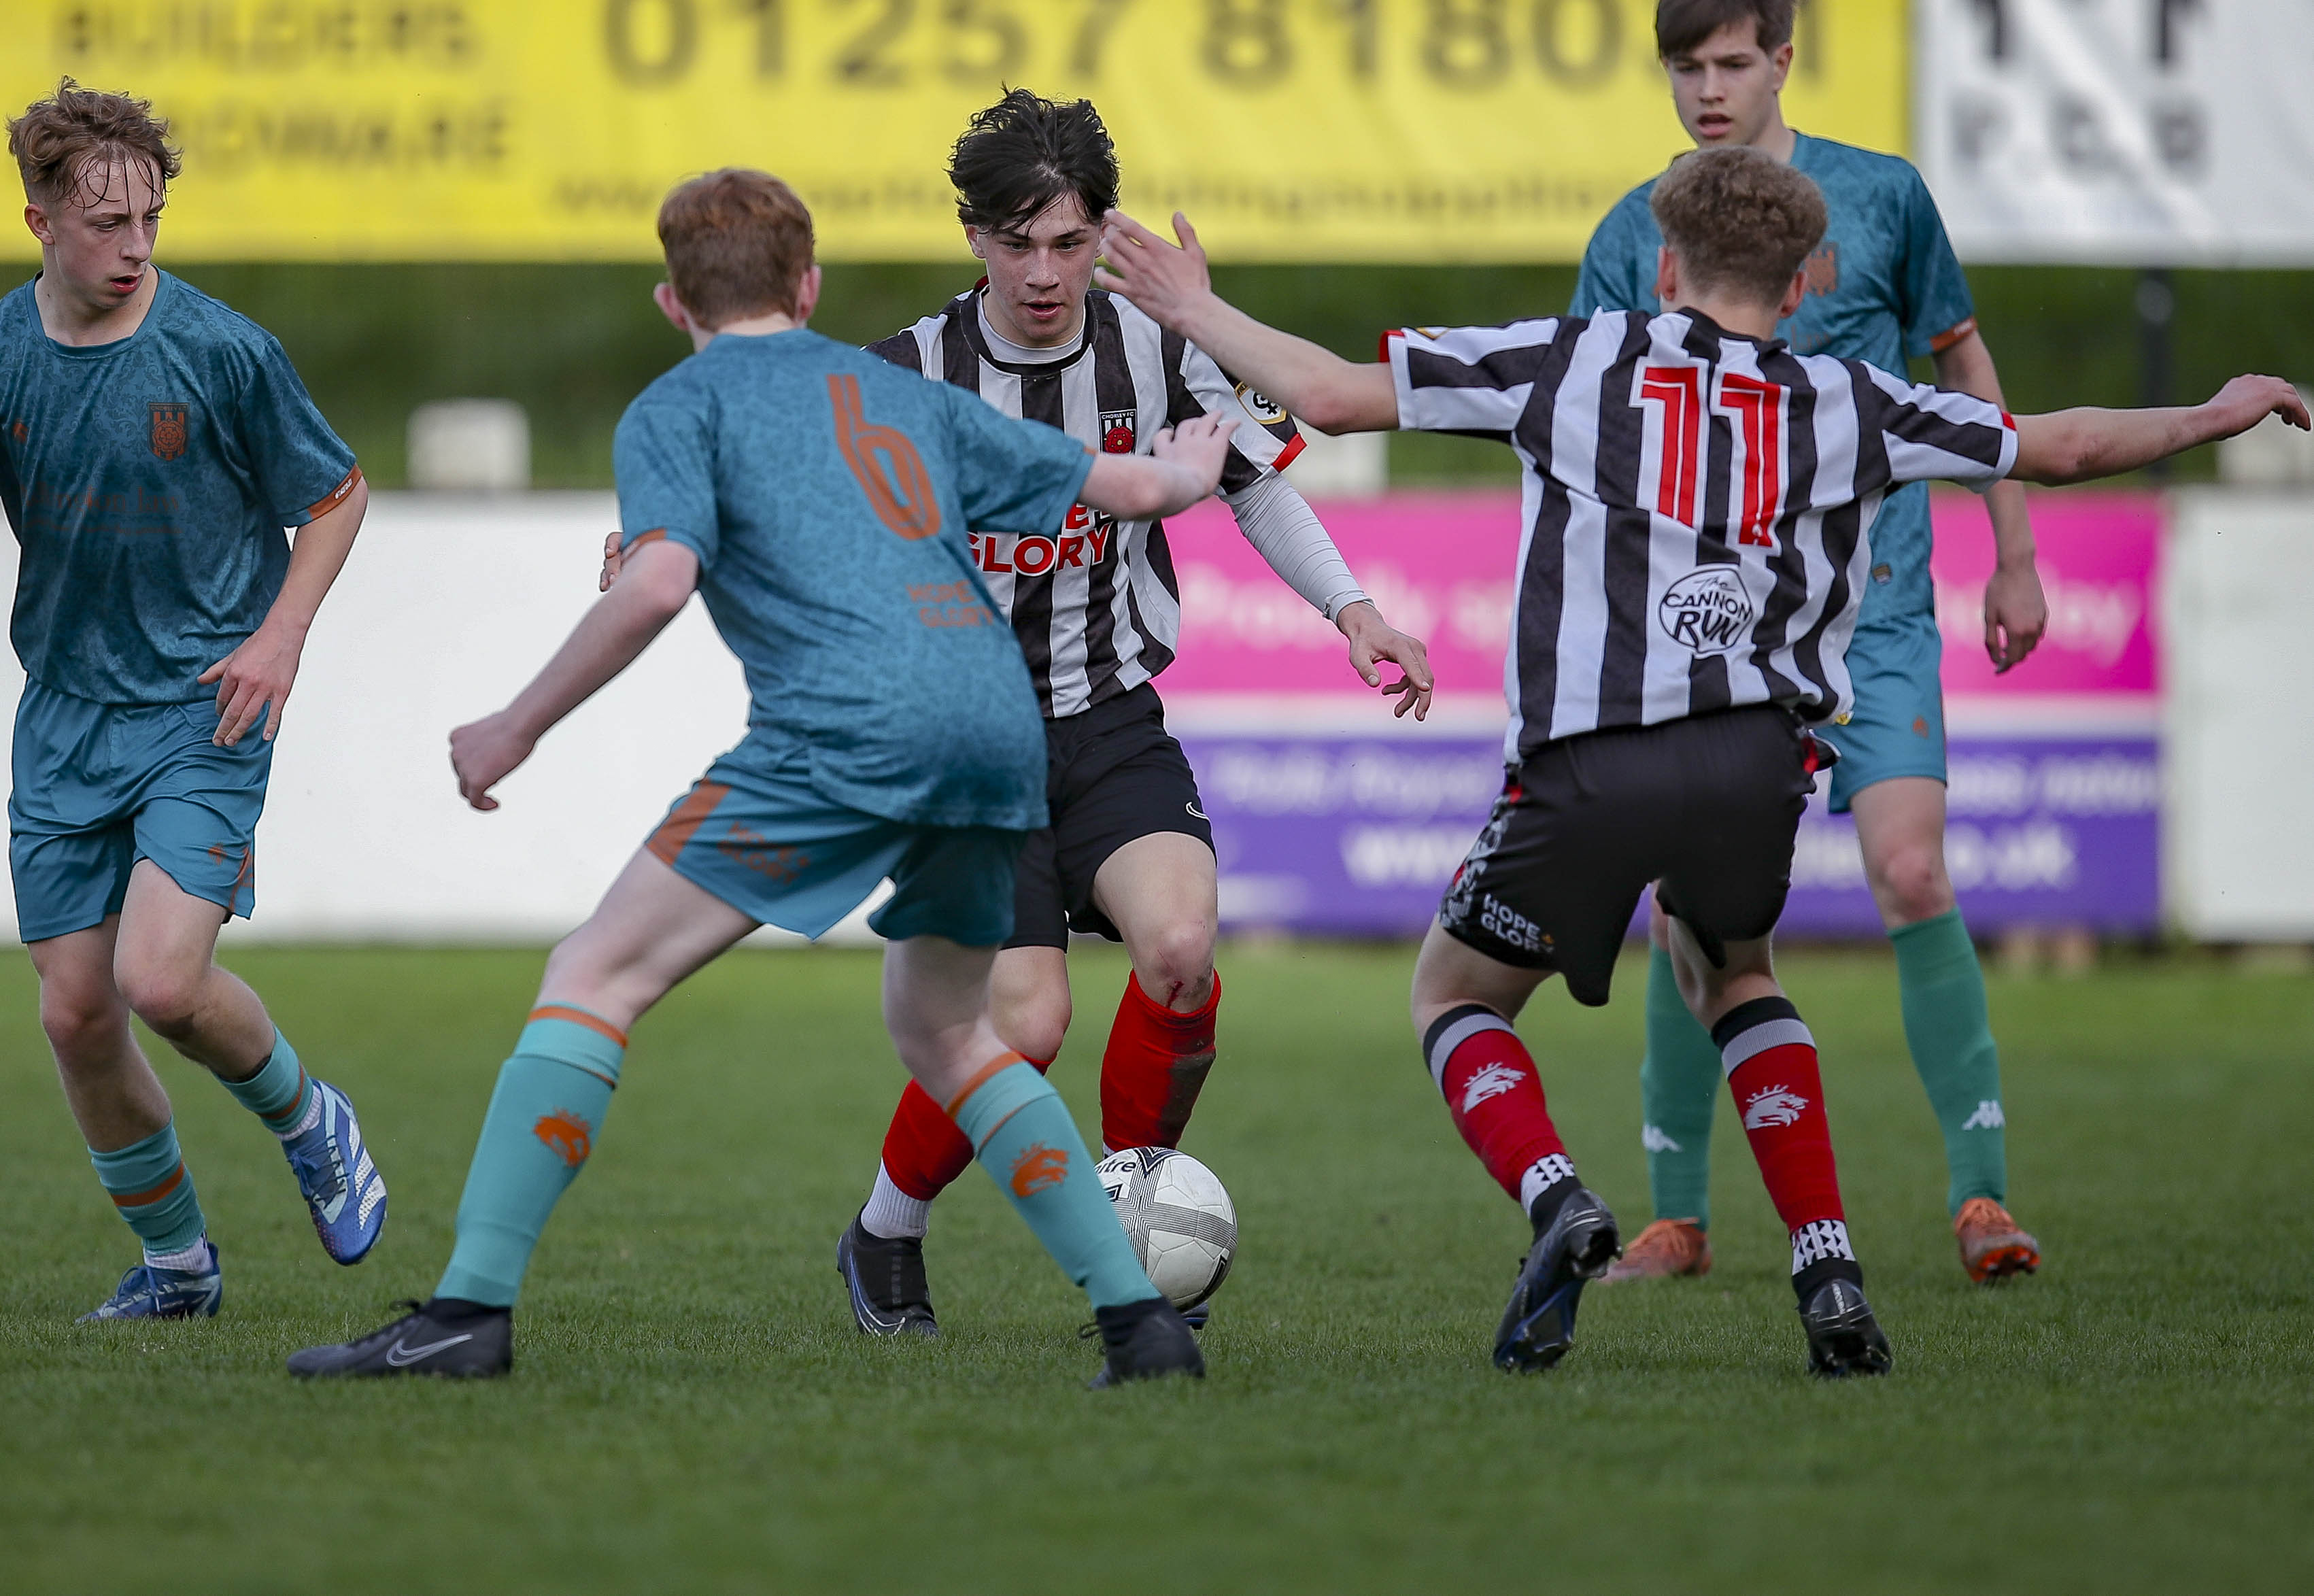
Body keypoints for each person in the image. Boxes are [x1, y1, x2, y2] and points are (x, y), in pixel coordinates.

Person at [1094, 146, 2303, 1374]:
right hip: (1756, 766)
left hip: (1589, 769)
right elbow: (2061, 446)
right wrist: (2210, 412)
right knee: (1736, 978)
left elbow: (1335, 394)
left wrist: (1194, 308)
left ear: (1665, 268)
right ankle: (1827, 1263)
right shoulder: (1851, 397)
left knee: (1453, 997)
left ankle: (1559, 1194)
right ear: (1799, 289)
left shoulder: (1574, 362)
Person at [289, 168, 1240, 1385]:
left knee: (593, 973)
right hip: (996, 726)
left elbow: (654, 584)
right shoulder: (890, 388)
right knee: (955, 1033)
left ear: (671, 304)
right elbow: (1129, 488)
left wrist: (514, 725)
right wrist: (1197, 463)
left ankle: (470, 1313)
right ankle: (1139, 1323)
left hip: (849, 730)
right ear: (810, 287)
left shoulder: (678, 408)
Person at [832, 89, 1432, 1336]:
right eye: (1015, 241)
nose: (1042, 272)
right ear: (973, 238)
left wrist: (1355, 611)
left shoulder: (1159, 349)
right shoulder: (909, 371)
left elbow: (1258, 490)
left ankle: (1131, 1225)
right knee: (1027, 1025)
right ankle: (885, 1232)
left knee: (1176, 950)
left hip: (1109, 718)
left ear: (1103, 233)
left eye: (1068, 240)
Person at [1572, 0, 2050, 1286]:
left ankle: (1982, 1199)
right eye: (1688, 66)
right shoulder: (1633, 230)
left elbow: (1963, 368)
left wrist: (2011, 548)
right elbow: (1595, 412)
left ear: (1785, 60)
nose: (1710, 88)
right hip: (1718, 631)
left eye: (1735, 62)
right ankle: (1678, 1216)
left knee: (1912, 872)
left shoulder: (1883, 197)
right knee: (1700, 918)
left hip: (1878, 607)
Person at [1, 80, 381, 1321]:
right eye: (107, 224)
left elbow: (334, 497)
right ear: (41, 219)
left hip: (204, 702)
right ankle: (177, 1267)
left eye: (152, 218)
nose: (137, 248)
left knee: (162, 984)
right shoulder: (7, 349)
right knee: (74, 1016)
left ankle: (308, 1116)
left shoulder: (220, 350)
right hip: (64, 711)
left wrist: (279, 639)